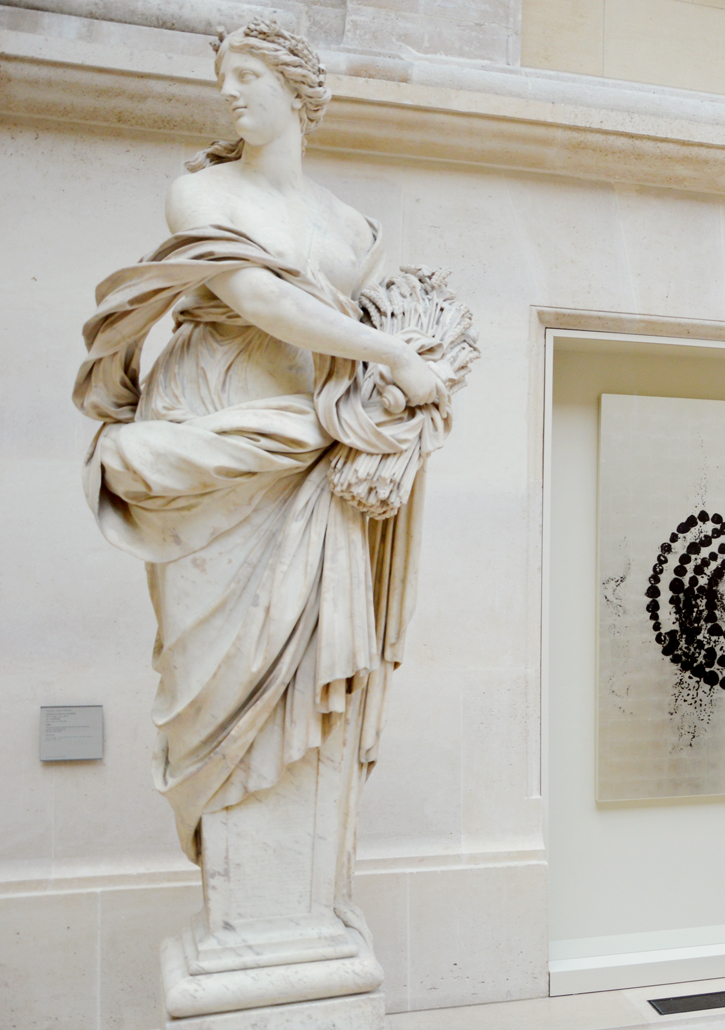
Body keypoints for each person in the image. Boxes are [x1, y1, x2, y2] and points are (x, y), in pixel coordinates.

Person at [74, 19, 446, 864]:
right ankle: (236, 857)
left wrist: (389, 392)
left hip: (316, 450)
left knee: (314, 645)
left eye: (248, 76)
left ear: (297, 91)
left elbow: (333, 331)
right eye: (224, 79)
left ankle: (300, 900)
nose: (230, 93)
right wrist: (392, 355)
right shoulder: (203, 195)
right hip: (212, 424)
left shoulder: (353, 228)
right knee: (208, 661)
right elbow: (261, 301)